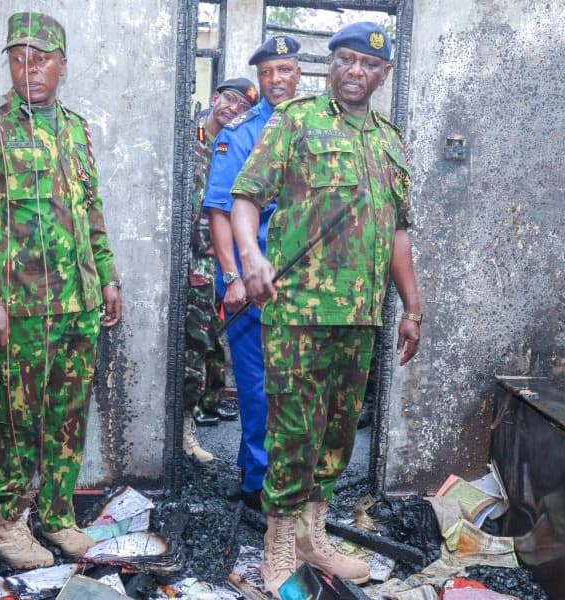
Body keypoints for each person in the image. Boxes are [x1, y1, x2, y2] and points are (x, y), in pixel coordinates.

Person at [229, 22, 422, 594]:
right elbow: (245, 198)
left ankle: (314, 535)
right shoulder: (296, 121)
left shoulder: (389, 140)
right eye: (346, 61)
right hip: (300, 315)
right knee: (292, 432)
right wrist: (251, 261)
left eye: (368, 64)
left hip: (361, 317)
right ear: (330, 65)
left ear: (383, 75)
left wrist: (411, 307)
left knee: (337, 436)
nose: (356, 72)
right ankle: (280, 546)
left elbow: (398, 234)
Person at [0, 11, 122, 570]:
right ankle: (8, 523)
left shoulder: (75, 129)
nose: (30, 69)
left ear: (62, 66)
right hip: (18, 309)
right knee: (16, 421)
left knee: (68, 415)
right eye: (19, 58)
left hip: (78, 305)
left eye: (41, 58)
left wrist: (108, 276)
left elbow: (90, 210)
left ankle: (58, 515)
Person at [204, 35, 303, 512]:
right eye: (267, 73)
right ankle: (263, 491)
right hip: (253, 285)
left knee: (295, 389)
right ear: (258, 80)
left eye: (284, 70)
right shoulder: (240, 132)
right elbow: (220, 211)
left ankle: (255, 475)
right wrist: (232, 277)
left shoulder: (315, 125)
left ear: (298, 73)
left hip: (303, 287)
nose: (276, 80)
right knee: (259, 391)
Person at [183, 78, 258, 463]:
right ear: (215, 99)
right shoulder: (187, 137)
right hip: (181, 261)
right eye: (229, 100)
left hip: (212, 262)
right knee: (182, 348)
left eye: (242, 108)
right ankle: (180, 431)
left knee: (203, 344)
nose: (233, 110)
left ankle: (190, 425)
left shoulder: (237, 147)